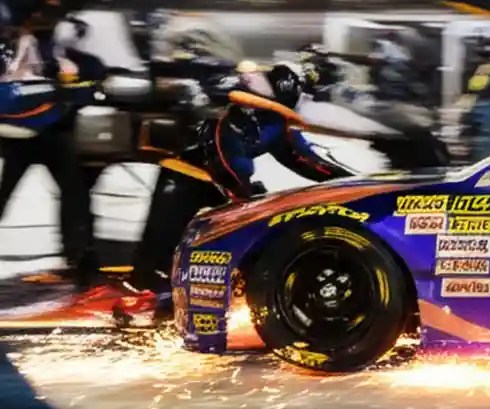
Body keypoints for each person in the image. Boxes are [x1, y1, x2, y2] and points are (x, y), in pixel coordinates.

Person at [111, 63, 355, 322]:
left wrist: (349, 181)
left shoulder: (276, 122)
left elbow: (304, 160)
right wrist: (244, 190)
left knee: (232, 241)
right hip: (185, 175)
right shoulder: (232, 110)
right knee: (161, 241)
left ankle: (201, 297)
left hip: (226, 184)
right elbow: (223, 151)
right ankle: (142, 297)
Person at [0, 0, 113, 290]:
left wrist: (85, 78)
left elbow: (64, 62)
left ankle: (81, 262)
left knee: (74, 192)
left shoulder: (50, 29)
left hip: (47, 125)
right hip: (18, 123)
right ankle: (82, 262)